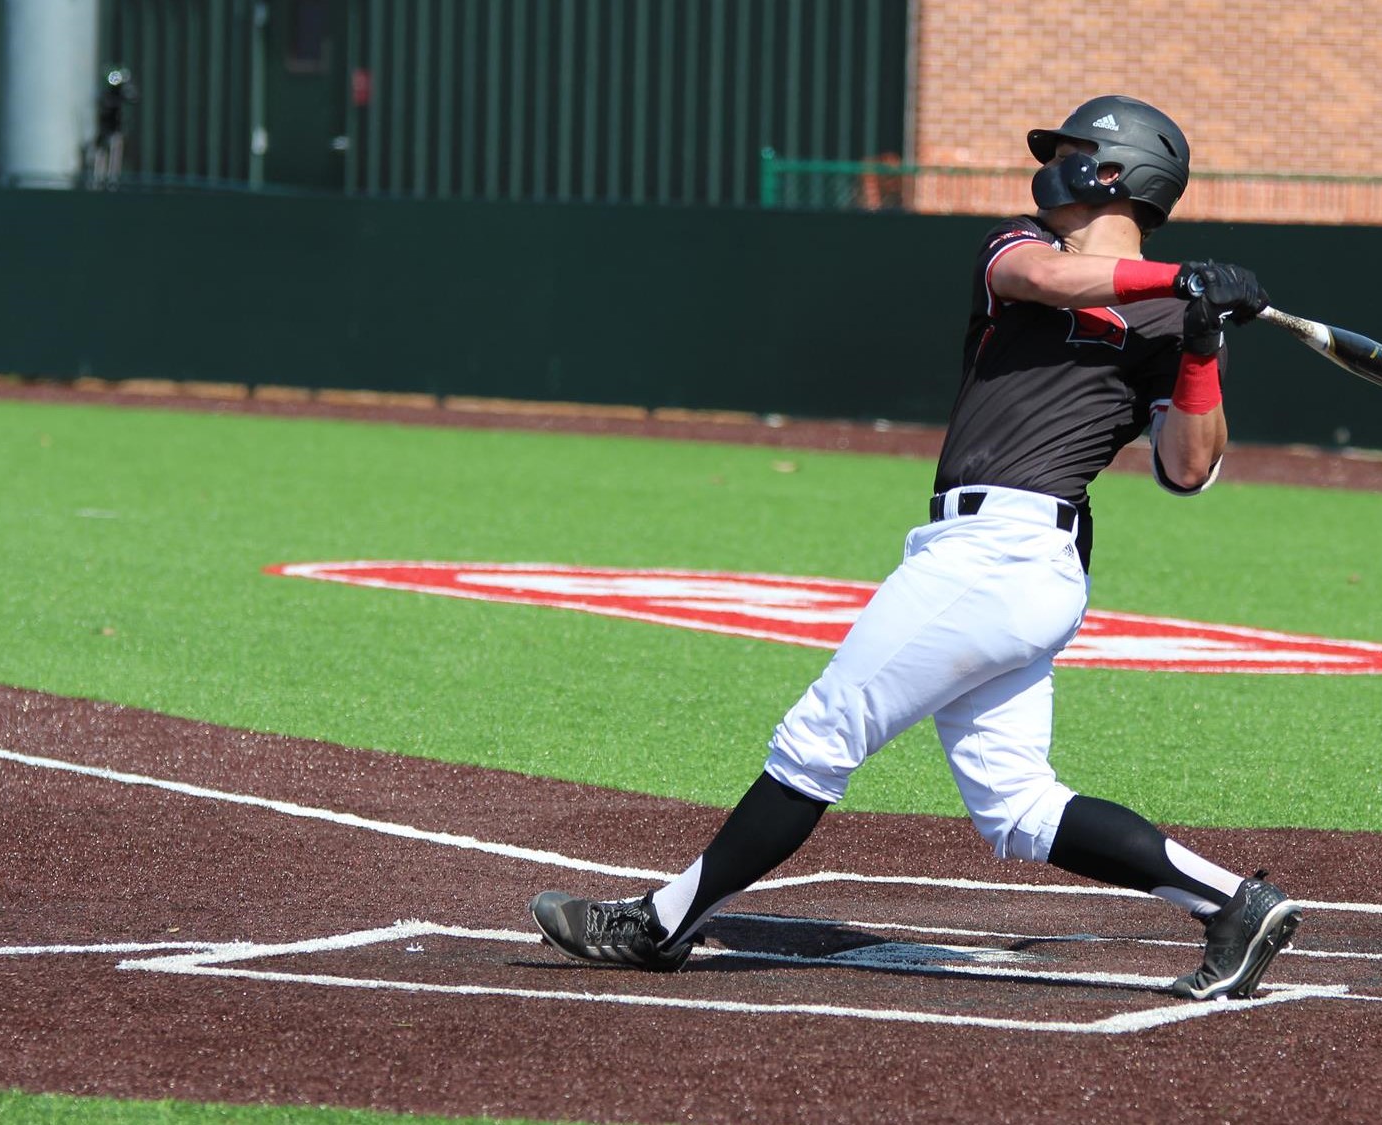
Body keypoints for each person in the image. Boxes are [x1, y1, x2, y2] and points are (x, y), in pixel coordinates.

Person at [530, 94, 1304, 1001]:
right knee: (1018, 806)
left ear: (1111, 172)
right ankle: (1234, 905)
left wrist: (1205, 338)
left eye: (1070, 152)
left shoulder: (1176, 324)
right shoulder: (1021, 252)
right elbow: (1046, 283)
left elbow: (1188, 469)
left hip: (1009, 554)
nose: (1049, 164)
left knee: (819, 740)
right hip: (987, 554)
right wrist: (1177, 281)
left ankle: (661, 926)